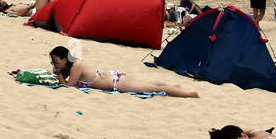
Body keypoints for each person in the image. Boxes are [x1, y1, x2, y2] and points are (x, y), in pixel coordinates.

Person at [48, 46, 198, 97]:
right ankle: (175, 86)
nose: (55, 65)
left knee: (152, 88)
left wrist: (60, 75)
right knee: (148, 84)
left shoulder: (76, 67)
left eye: (56, 61)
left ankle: (188, 94)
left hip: (116, 83)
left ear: (65, 59)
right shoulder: (71, 67)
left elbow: (69, 88)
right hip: (114, 78)